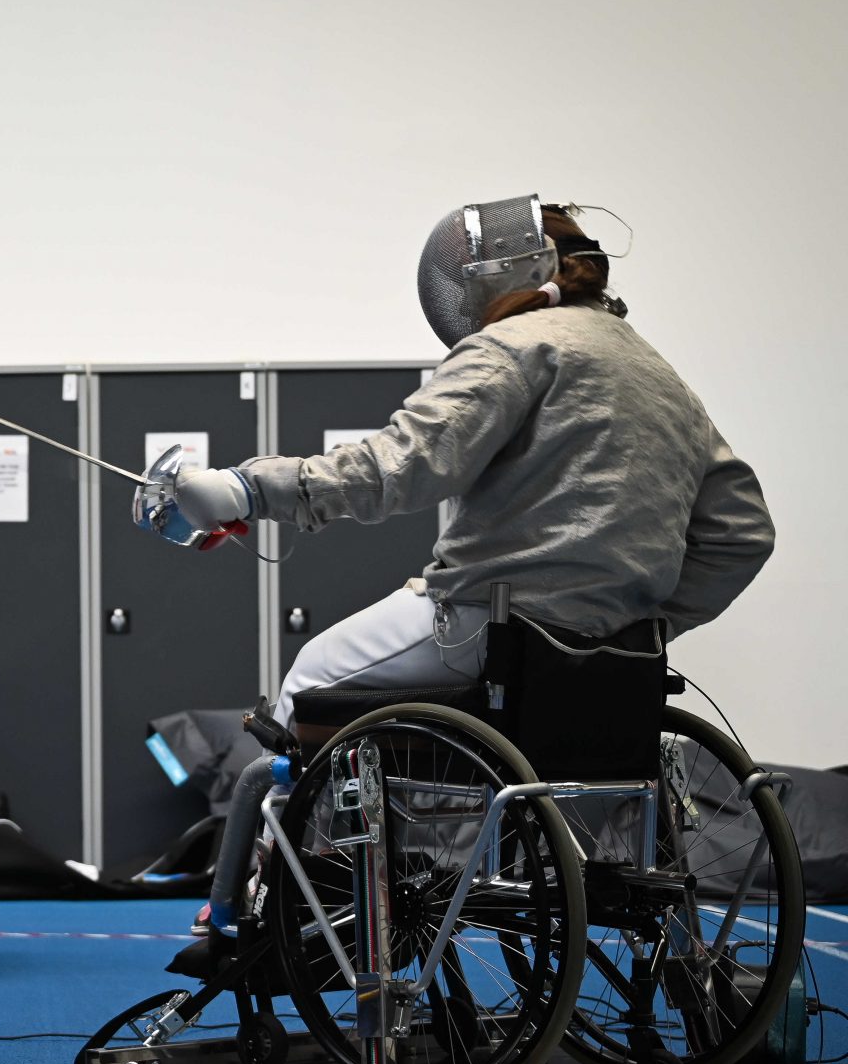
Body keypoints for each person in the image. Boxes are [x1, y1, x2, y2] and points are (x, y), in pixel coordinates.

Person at [172, 195, 773, 730]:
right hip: (614, 644)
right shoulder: (657, 373)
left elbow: (400, 467)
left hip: (495, 623)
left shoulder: (516, 345)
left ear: (515, 269)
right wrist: (648, 624)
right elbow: (742, 533)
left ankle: (294, 828)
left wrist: (247, 488)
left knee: (312, 678)